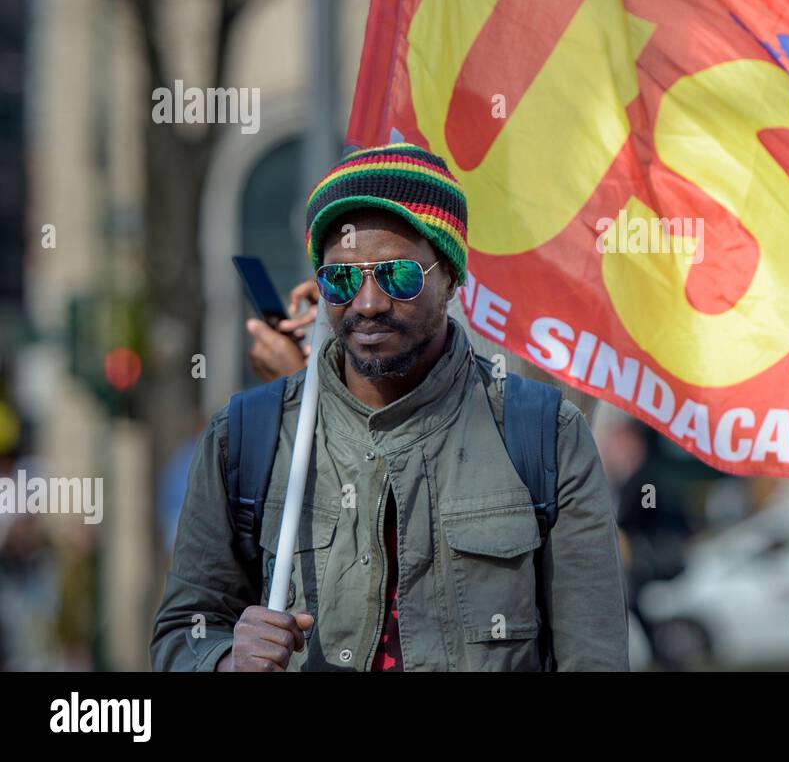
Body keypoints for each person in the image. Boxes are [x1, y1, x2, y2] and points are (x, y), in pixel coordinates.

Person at [150, 143, 630, 671]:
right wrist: (223, 660)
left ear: (449, 277)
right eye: (342, 279)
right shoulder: (243, 436)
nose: (369, 302)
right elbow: (183, 633)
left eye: (399, 275)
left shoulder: (544, 434)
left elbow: (595, 657)